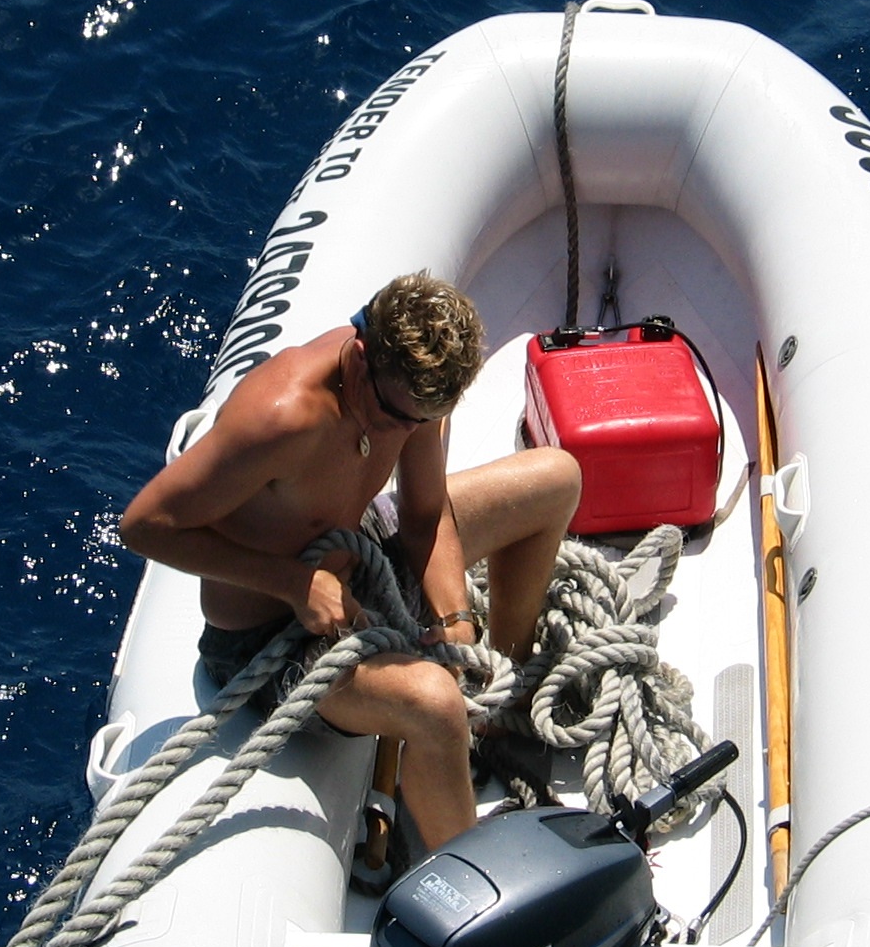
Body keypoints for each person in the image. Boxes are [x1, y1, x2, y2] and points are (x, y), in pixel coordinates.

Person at [119, 272, 580, 851]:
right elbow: (144, 525)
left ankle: (494, 711)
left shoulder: (411, 395)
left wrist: (454, 621)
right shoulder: (283, 416)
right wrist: (292, 583)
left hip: (361, 554)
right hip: (271, 636)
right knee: (434, 705)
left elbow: (425, 516)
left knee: (557, 478)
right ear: (361, 361)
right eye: (397, 419)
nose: (408, 434)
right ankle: (469, 879)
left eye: (422, 421)